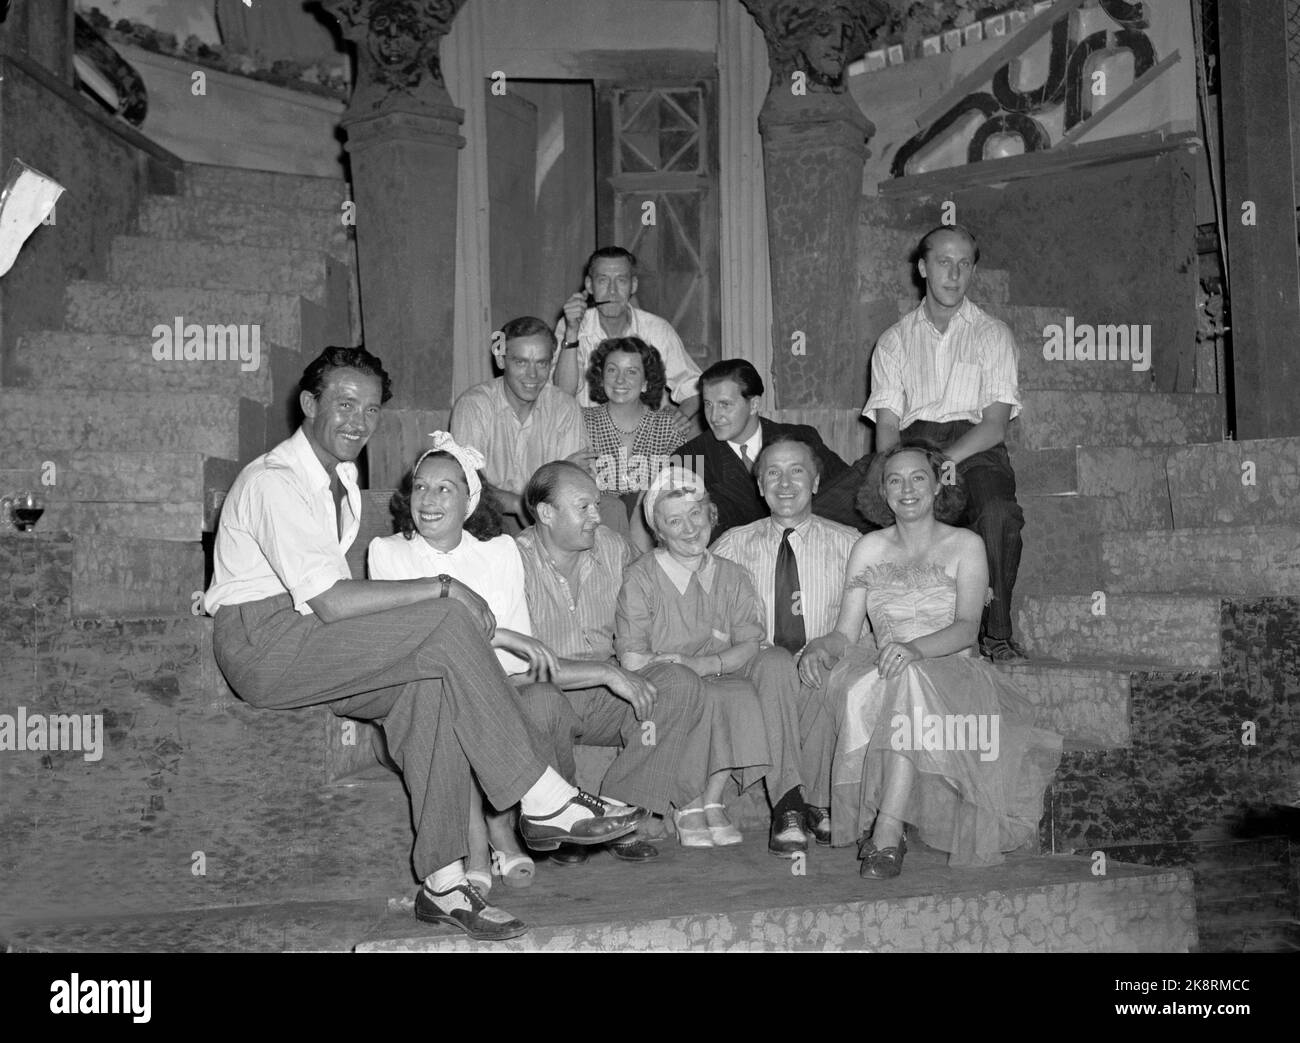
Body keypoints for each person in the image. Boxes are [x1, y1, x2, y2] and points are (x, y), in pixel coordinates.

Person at [205, 346, 640, 942]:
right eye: (344, 403)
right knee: (444, 617)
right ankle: (543, 796)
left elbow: (327, 605)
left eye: (372, 409)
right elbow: (331, 600)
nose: (359, 420)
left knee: (429, 689)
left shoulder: (342, 481)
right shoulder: (276, 481)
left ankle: (442, 882)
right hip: (267, 644)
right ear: (308, 405)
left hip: (310, 638)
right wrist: (442, 585)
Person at [798, 443, 1061, 879]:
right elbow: (845, 632)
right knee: (887, 680)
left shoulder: (966, 544)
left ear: (939, 484)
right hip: (883, 666)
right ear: (881, 491)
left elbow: (965, 625)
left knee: (911, 677)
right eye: (894, 480)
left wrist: (916, 649)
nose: (907, 488)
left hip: (950, 672)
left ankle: (887, 827)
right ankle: (888, 826)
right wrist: (818, 647)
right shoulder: (868, 548)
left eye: (918, 477)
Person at [368, 433, 557, 895]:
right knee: (449, 702)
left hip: (494, 685)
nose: (428, 500)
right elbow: (409, 648)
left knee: (490, 703)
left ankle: (492, 833)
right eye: (420, 487)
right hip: (414, 697)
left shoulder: (499, 552)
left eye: (445, 489)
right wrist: (497, 637)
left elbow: (519, 653)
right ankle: (487, 837)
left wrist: (501, 645)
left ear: (469, 500)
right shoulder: (387, 553)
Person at [515, 461, 711, 864]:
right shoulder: (513, 560)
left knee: (678, 681)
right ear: (546, 513)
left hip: (609, 698)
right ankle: (566, 820)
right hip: (549, 695)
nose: (597, 516)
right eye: (583, 507)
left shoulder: (612, 546)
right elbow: (520, 670)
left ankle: (620, 810)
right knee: (537, 699)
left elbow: (655, 600)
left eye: (597, 505)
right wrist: (606, 672)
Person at [863, 224, 1028, 662]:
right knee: (850, 506)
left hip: (973, 446)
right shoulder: (894, 340)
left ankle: (995, 633)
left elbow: (994, 426)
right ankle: (867, 633)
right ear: (922, 268)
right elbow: (887, 426)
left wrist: (944, 462)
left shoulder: (993, 334)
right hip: (912, 444)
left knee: (997, 513)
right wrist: (895, 472)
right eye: (943, 262)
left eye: (964, 264)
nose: (954, 274)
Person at [711, 435, 863, 856]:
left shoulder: (851, 544)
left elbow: (864, 628)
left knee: (821, 663)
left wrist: (827, 649)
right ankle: (793, 804)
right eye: (772, 473)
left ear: (815, 482)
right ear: (759, 487)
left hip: (822, 665)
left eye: (796, 470)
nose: (784, 482)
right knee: (778, 662)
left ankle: (811, 802)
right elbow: (711, 624)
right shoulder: (730, 546)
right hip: (756, 667)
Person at [616, 467, 770, 848]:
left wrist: (705, 665)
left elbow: (749, 642)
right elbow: (632, 657)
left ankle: (714, 798)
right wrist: (682, 668)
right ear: (658, 531)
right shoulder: (641, 577)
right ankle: (688, 802)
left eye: (695, 515)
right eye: (674, 521)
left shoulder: (733, 576)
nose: (688, 528)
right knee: (692, 691)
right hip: (664, 683)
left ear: (710, 515)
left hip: (714, 675)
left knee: (739, 694)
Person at [675, 358, 862, 540]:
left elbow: (849, 494)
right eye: (708, 404)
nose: (714, 416)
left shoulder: (802, 439)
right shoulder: (690, 458)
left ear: (754, 405)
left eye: (725, 404)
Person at [450, 315, 596, 530]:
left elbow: (574, 485)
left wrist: (542, 496)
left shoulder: (564, 407)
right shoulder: (474, 405)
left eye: (542, 363)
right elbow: (466, 485)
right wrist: (520, 503)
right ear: (501, 360)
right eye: (521, 362)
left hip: (549, 518)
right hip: (487, 514)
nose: (533, 375)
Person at [555, 246, 701, 434]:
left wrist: (680, 417)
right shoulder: (570, 325)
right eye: (603, 280)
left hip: (645, 444)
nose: (612, 291)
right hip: (588, 440)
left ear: (633, 285)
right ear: (589, 286)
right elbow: (562, 394)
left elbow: (695, 388)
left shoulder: (657, 330)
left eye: (621, 281)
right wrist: (572, 332)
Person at [581, 336, 685, 551]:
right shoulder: (581, 422)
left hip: (653, 540)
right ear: (601, 378)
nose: (620, 380)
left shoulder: (669, 426)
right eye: (612, 370)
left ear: (646, 382)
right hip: (595, 540)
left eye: (631, 372)